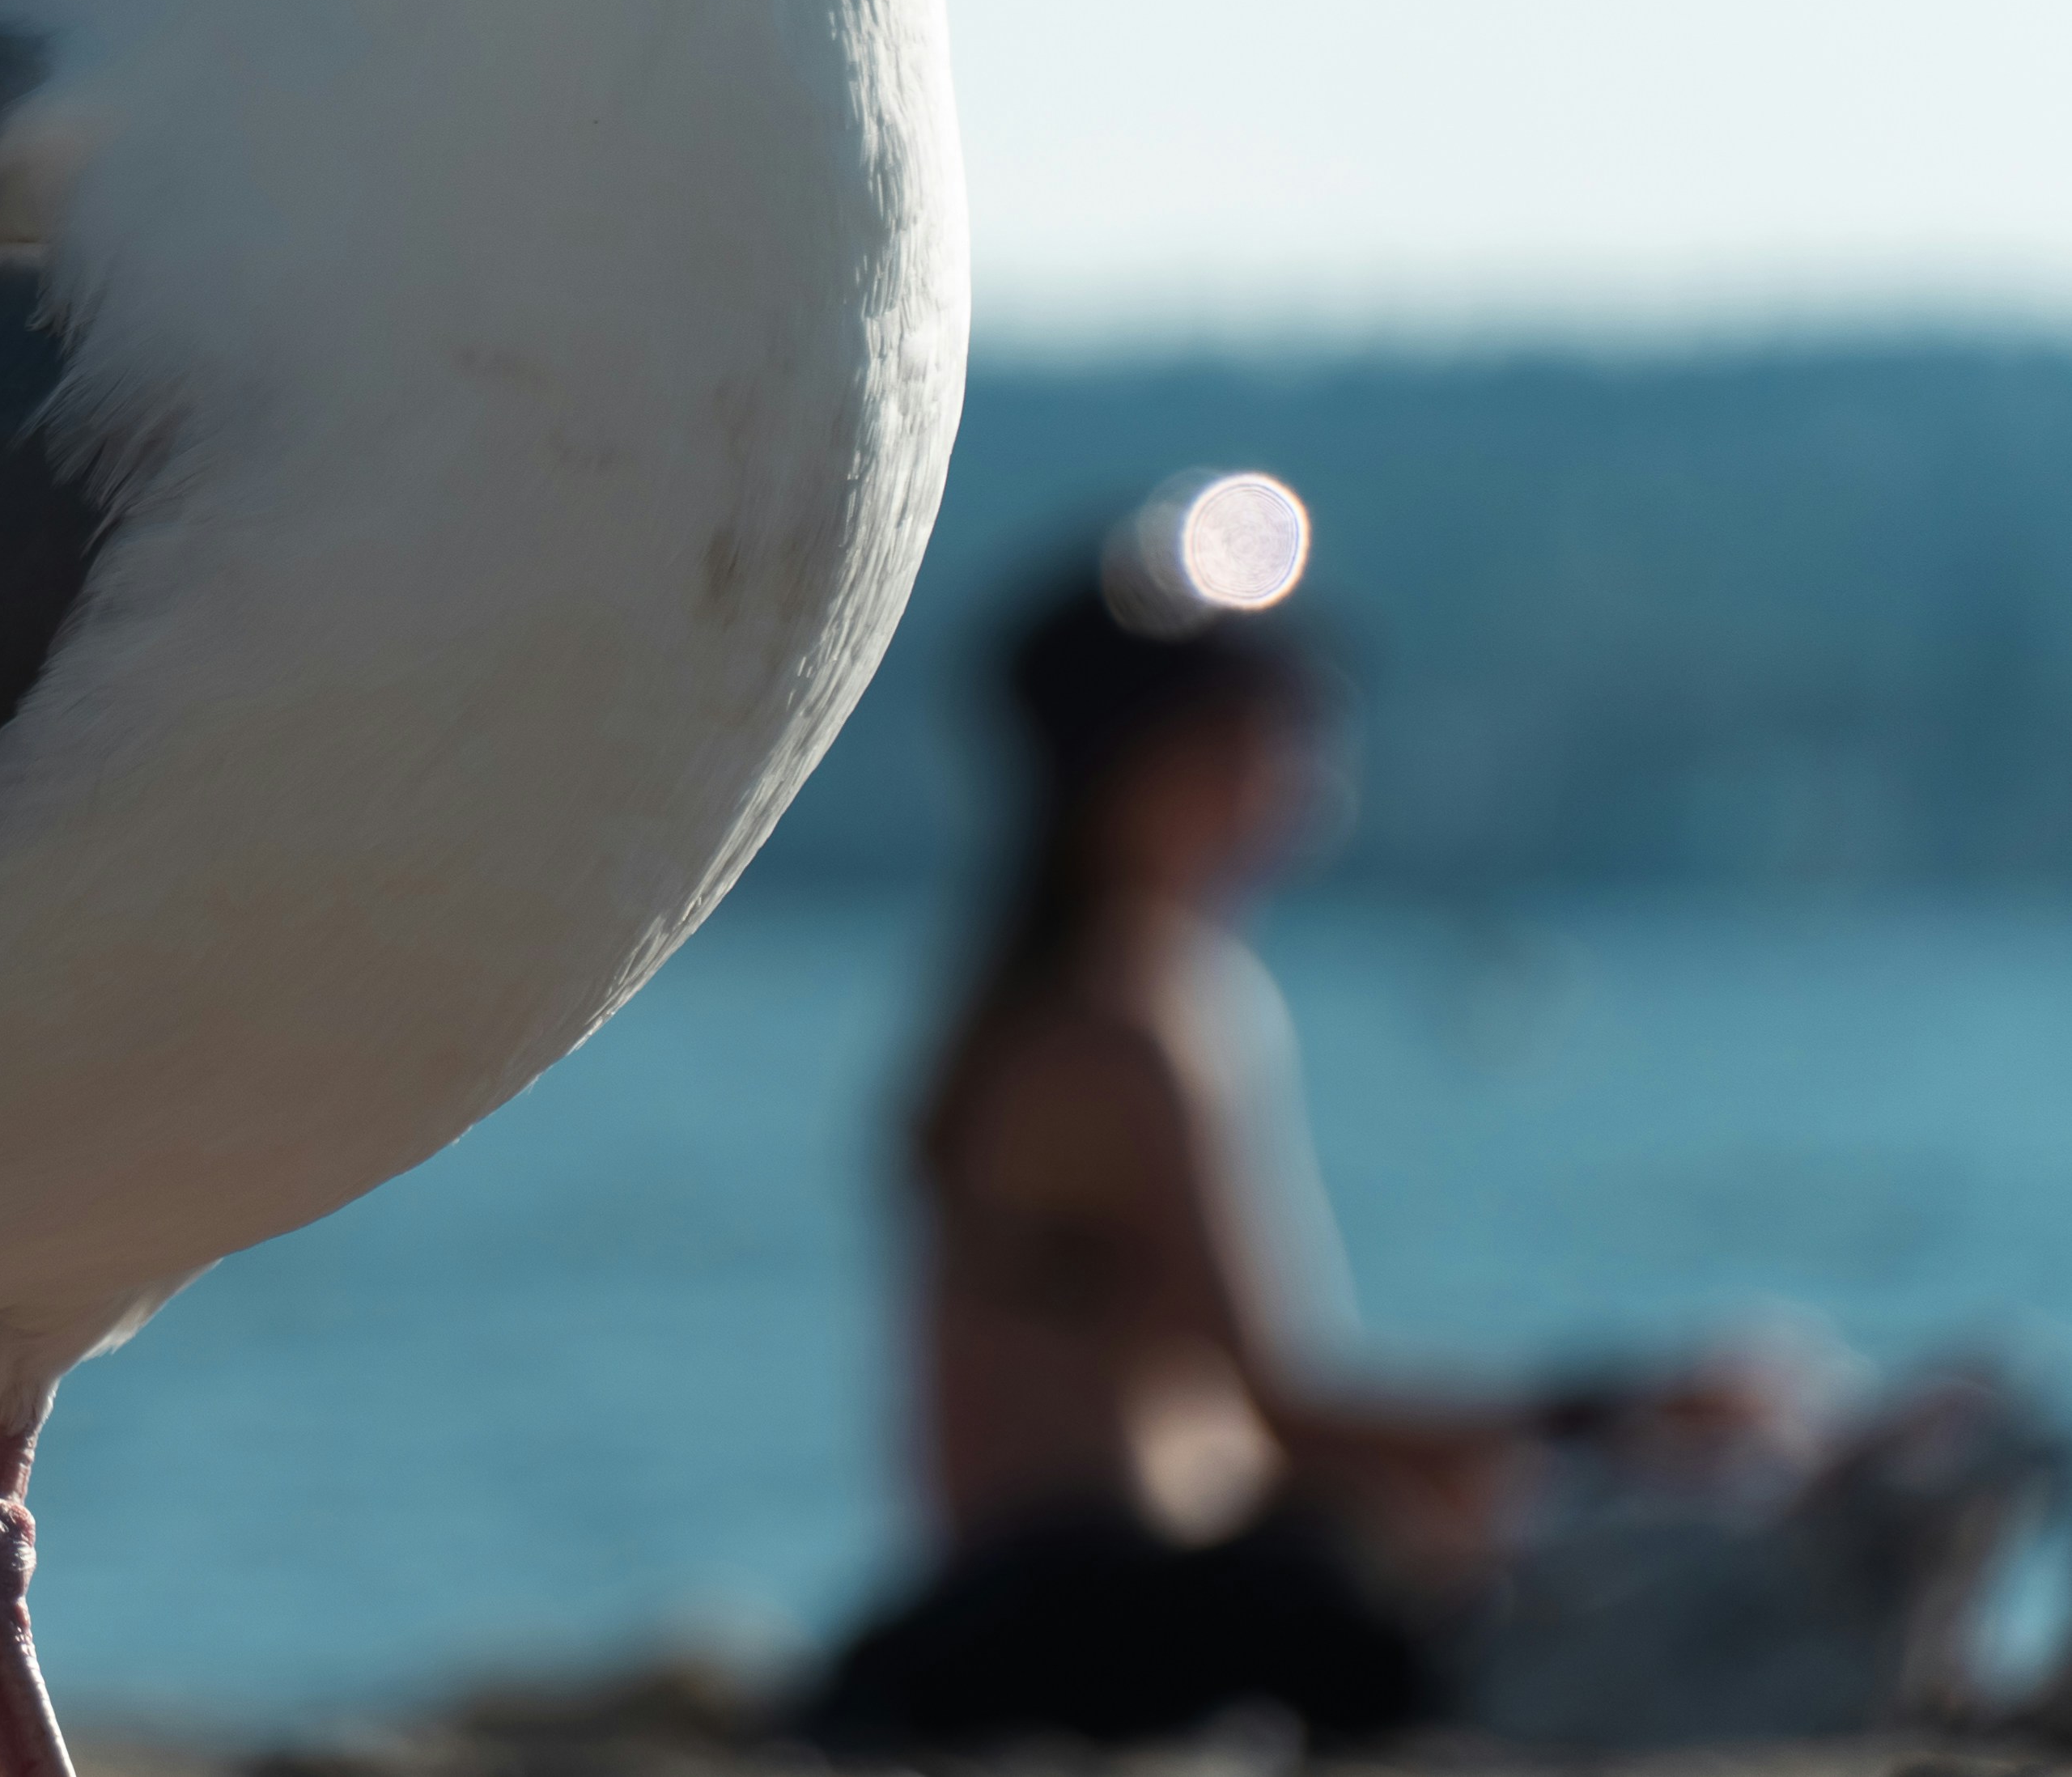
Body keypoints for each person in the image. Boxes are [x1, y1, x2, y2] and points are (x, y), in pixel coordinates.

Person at [800, 476, 2015, 1752]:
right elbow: (1283, 1407)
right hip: (1082, 1619)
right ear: (1160, 760)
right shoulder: (1127, 1025)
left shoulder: (1057, 995)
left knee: (1492, 1571)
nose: (1314, 745)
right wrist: (1624, 1415)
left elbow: (1239, 1435)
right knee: (1458, 1604)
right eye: (1276, 707)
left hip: (1024, 1610)